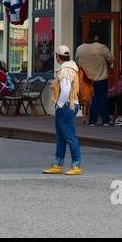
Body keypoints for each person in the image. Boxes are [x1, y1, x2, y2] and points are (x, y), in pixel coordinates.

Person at [44, 46, 82, 175]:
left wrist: (59, 105)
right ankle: (57, 164)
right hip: (70, 104)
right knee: (62, 137)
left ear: (57, 57)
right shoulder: (72, 68)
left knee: (69, 137)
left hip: (66, 105)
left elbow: (65, 90)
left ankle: (75, 165)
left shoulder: (64, 70)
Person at [75, 34, 113, 127]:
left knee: (92, 98)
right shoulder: (101, 47)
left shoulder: (80, 48)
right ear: (96, 38)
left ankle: (92, 120)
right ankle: (105, 120)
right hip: (100, 77)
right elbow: (111, 59)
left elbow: (77, 62)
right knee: (102, 98)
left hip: (86, 78)